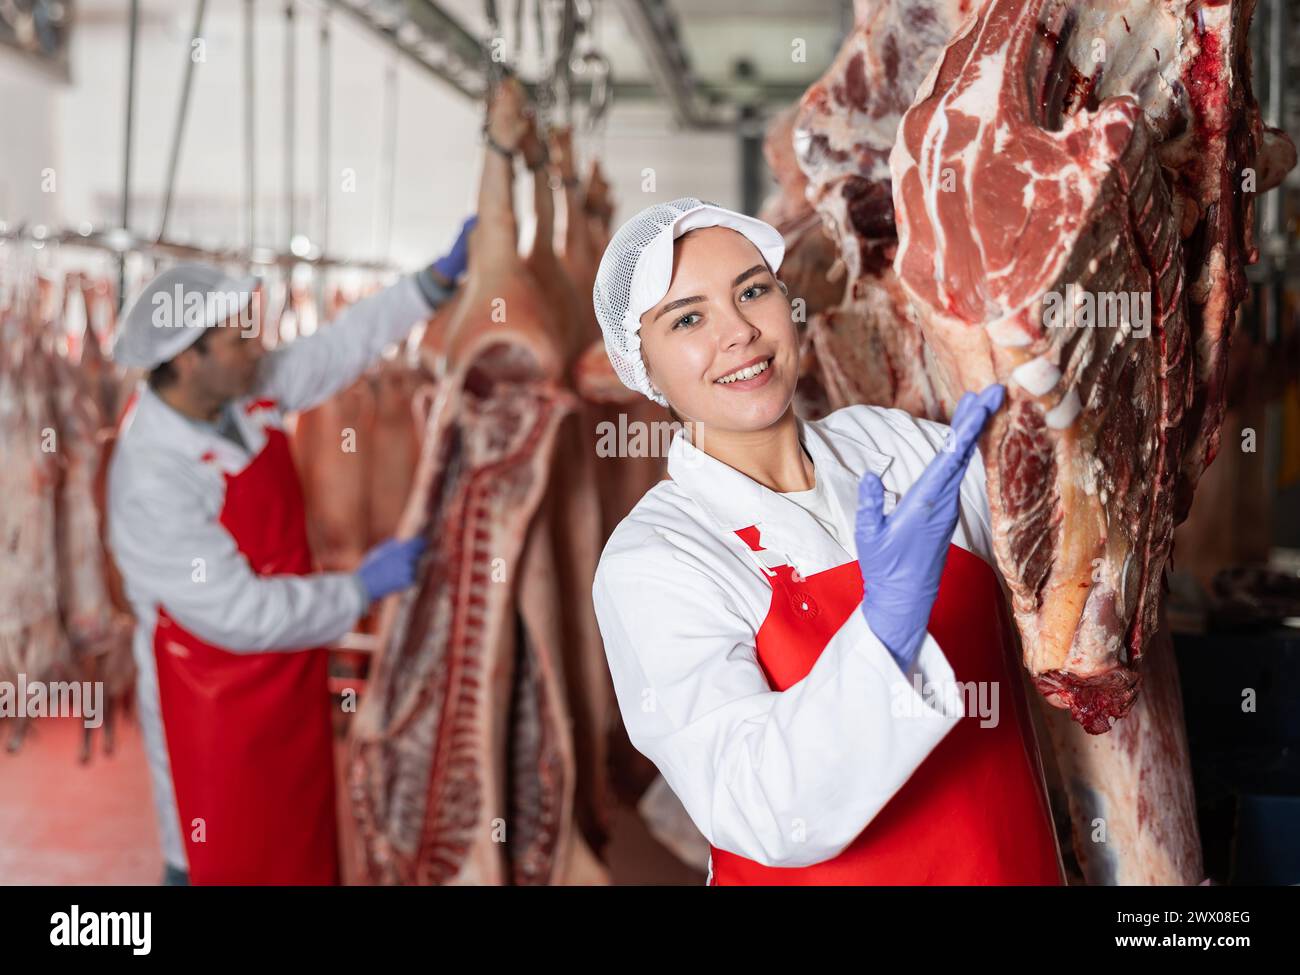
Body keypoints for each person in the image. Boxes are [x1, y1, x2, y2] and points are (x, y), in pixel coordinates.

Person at [590, 198, 1062, 885]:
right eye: (688, 318)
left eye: (753, 290)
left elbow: (1072, 573)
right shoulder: (655, 559)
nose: (740, 332)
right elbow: (756, 804)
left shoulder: (895, 444)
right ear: (645, 367)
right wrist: (881, 637)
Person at [106, 218, 474, 885]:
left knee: (298, 851)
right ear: (188, 358)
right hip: (212, 706)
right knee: (217, 861)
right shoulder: (151, 475)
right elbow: (241, 613)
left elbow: (340, 347)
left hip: (288, 682)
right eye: (240, 338)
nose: (259, 346)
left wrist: (431, 285)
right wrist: (358, 590)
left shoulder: (244, 392)